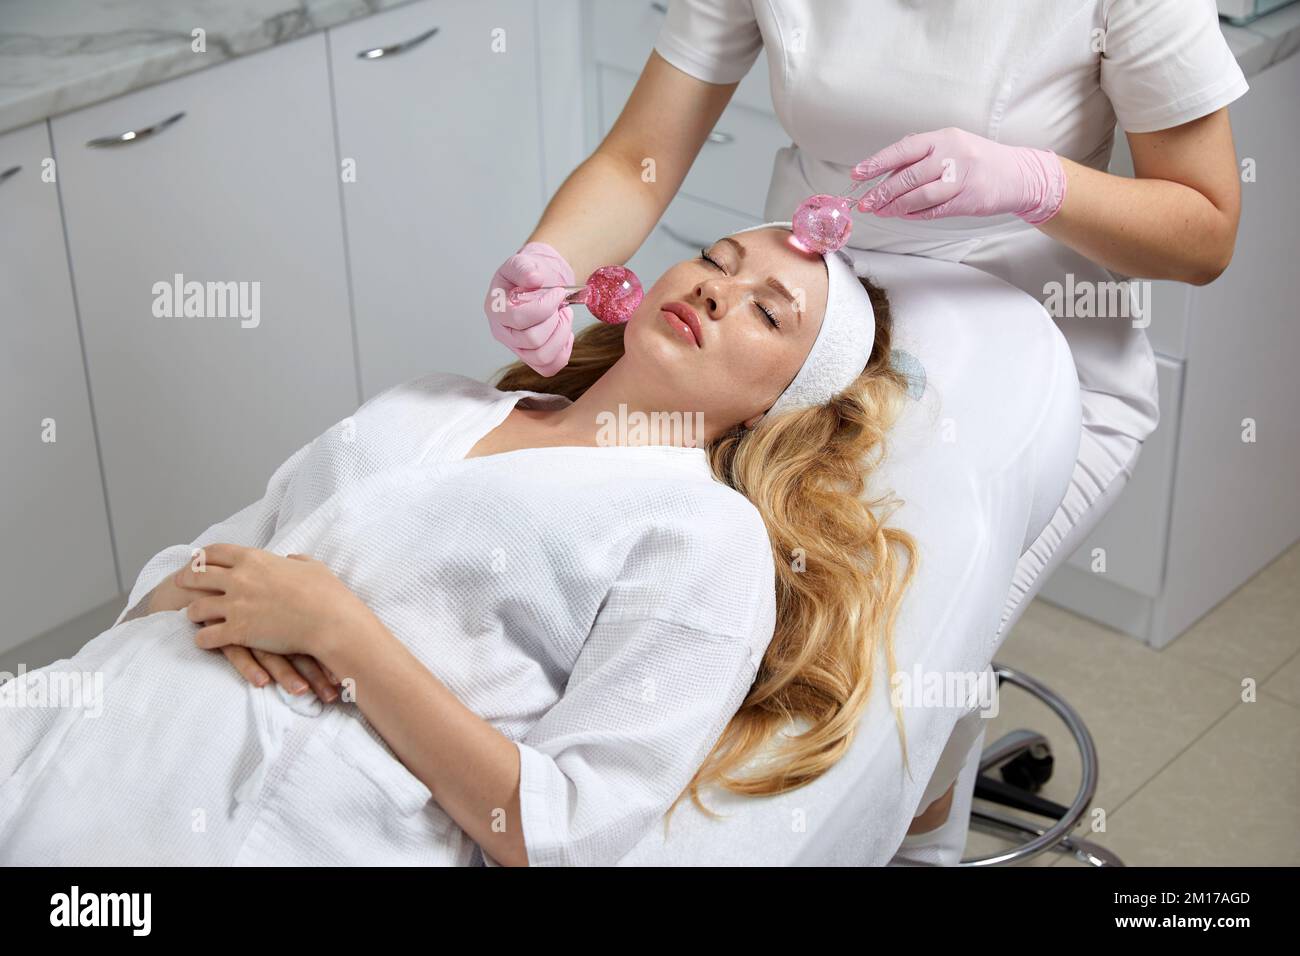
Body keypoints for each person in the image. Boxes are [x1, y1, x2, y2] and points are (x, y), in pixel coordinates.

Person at [482, 0, 1248, 859]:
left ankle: (912, 835)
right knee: (727, 637)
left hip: (1030, 370)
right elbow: (637, 158)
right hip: (805, 347)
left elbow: (1205, 233)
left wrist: (1042, 184)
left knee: (885, 682)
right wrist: (552, 258)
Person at [0, 225, 916, 867]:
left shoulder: (706, 540)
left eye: (767, 313)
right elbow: (187, 567)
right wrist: (232, 597)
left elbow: (562, 837)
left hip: (247, 823)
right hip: (91, 718)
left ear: (782, 403)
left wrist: (342, 638)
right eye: (717, 258)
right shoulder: (432, 402)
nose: (716, 286)